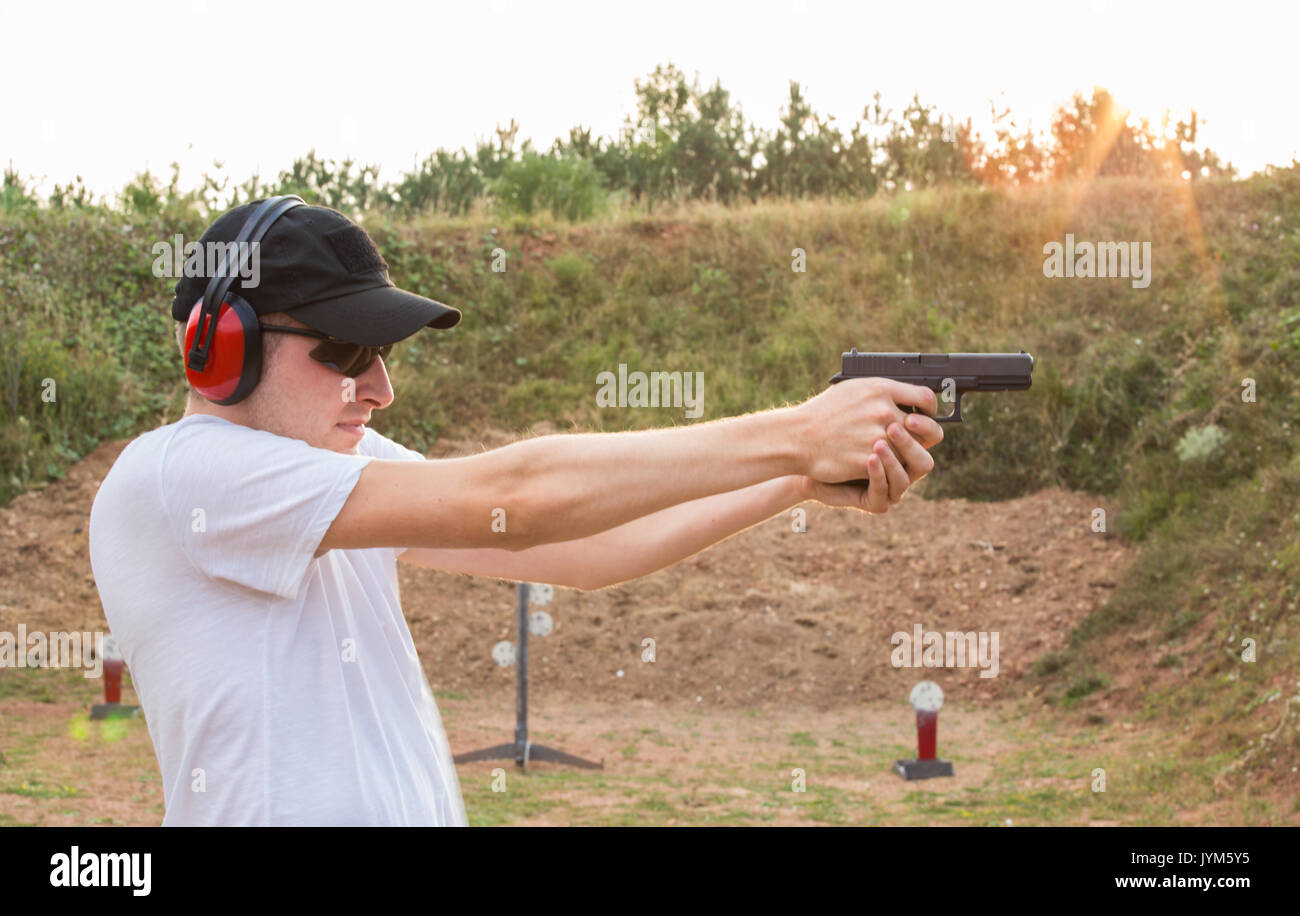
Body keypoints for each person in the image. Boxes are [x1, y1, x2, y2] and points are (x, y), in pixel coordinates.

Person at [88, 198, 944, 826]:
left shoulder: (328, 470)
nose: (380, 388)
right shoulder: (185, 475)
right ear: (219, 344)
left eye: (381, 352)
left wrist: (795, 481)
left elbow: (588, 550)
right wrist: (795, 432)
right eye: (347, 350)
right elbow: (518, 496)